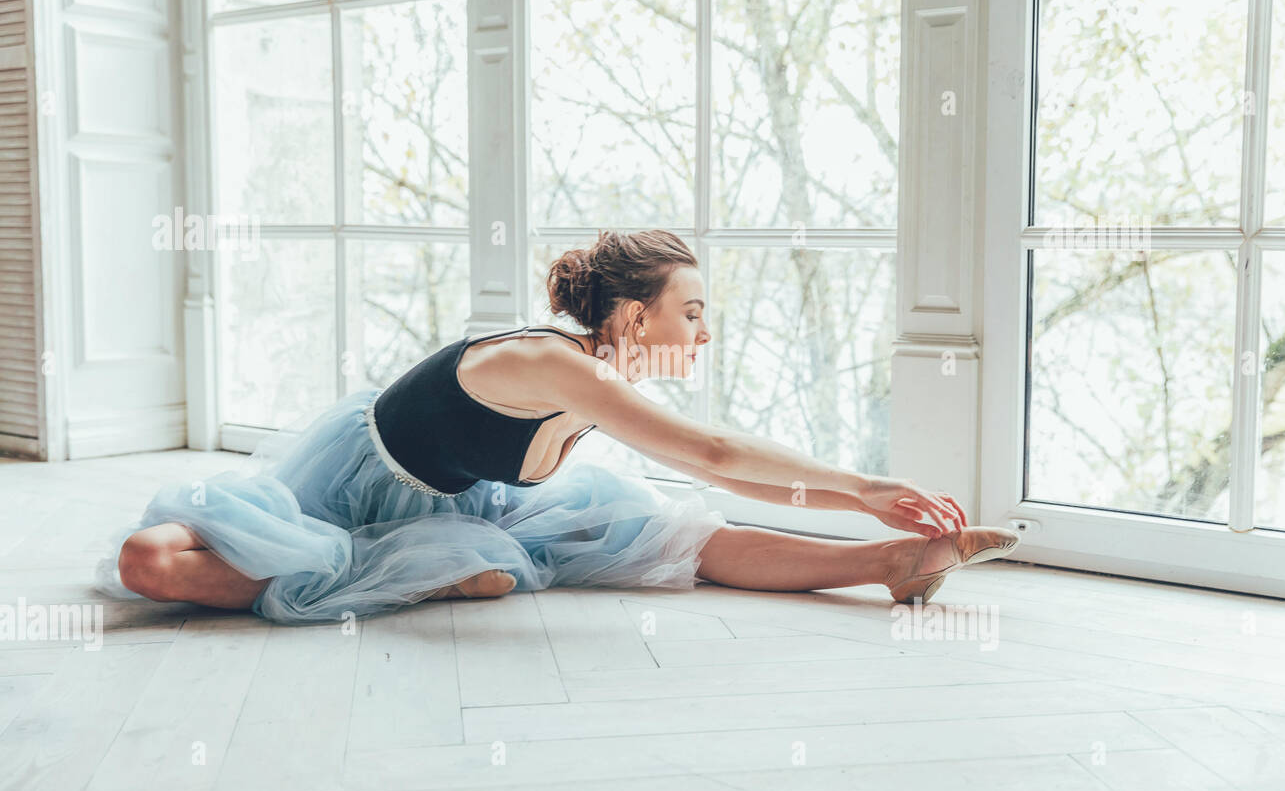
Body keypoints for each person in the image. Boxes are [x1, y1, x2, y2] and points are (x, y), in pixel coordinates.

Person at [94, 228, 1020, 625]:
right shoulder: (552, 365)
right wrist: (865, 487)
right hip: (342, 494)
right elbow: (714, 452)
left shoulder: (599, 376)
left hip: (476, 499)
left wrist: (872, 524)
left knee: (676, 535)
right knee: (150, 563)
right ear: (629, 313)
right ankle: (414, 573)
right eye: (691, 310)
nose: (705, 329)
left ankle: (890, 570)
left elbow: (716, 471)